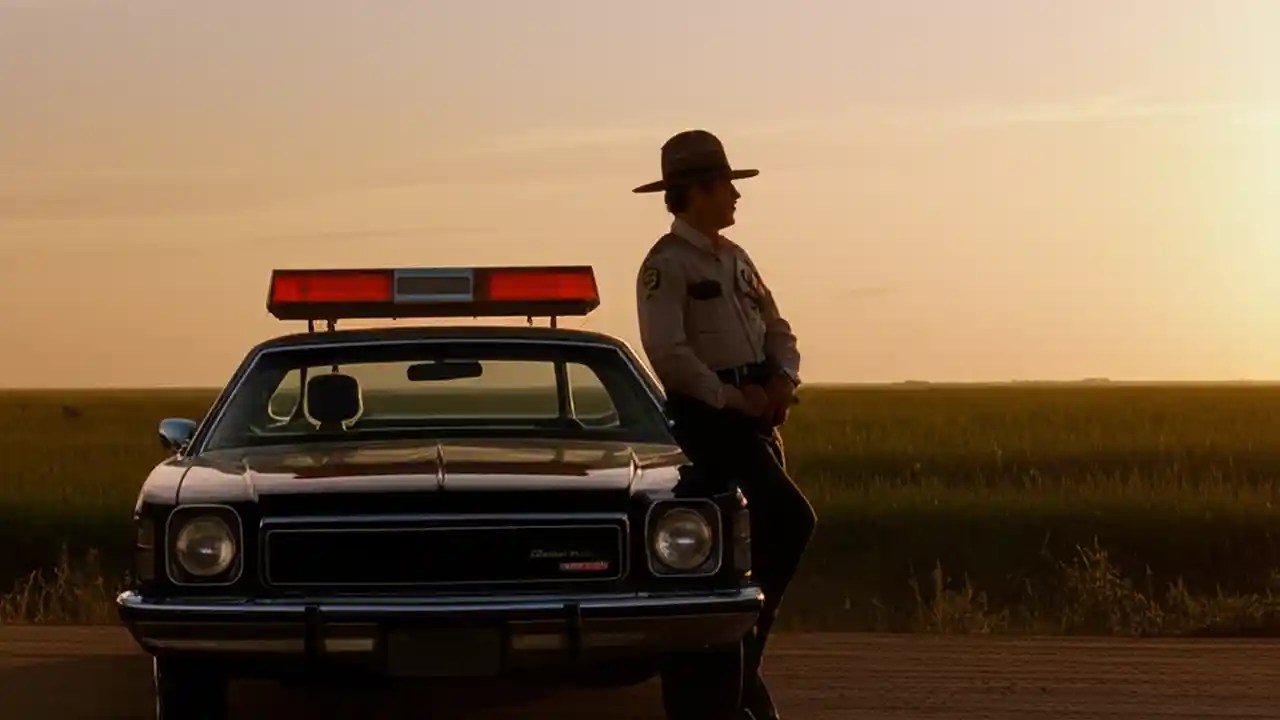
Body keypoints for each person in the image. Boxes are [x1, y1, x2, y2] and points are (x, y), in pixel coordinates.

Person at [632, 129, 817, 720]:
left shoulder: (738, 260)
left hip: (759, 417)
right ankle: (741, 661)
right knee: (789, 519)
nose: (736, 198)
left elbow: (777, 327)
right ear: (695, 192)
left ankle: (739, 668)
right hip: (709, 423)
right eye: (726, 187)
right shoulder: (665, 266)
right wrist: (732, 399)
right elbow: (670, 354)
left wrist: (784, 380)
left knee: (767, 535)